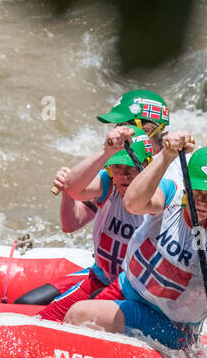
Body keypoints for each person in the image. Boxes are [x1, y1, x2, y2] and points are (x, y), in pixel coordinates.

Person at [65, 134, 207, 358]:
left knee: (79, 315)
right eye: (197, 192)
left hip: (171, 324)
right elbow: (133, 203)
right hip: (127, 287)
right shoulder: (171, 193)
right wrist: (166, 157)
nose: (203, 202)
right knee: (68, 323)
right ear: (187, 187)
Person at [35, 126, 170, 323]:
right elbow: (73, 189)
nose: (124, 175)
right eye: (117, 167)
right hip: (99, 279)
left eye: (131, 167)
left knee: (83, 320)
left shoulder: (156, 194)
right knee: (43, 320)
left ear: (146, 166)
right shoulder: (108, 183)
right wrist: (107, 151)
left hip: (132, 293)